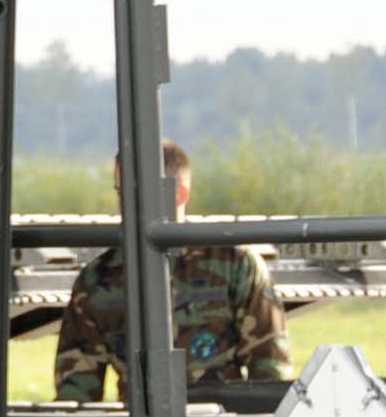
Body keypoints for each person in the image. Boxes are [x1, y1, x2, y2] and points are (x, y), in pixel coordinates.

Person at [53, 138, 290, 401]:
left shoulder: (235, 265)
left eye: (139, 193)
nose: (127, 206)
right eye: (122, 194)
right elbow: (76, 391)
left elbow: (270, 372)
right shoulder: (99, 280)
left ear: (180, 193)